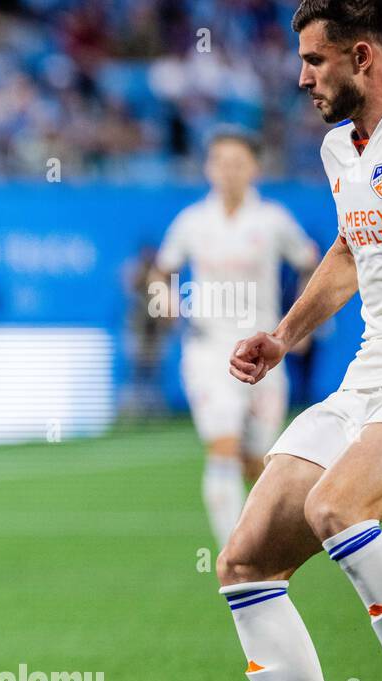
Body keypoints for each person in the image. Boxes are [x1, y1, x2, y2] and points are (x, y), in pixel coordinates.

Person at [219, 0, 382, 681]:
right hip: (369, 375)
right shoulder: (342, 149)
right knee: (246, 562)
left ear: (362, 56)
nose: (301, 78)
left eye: (315, 61)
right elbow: (348, 248)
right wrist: (284, 337)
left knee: (337, 506)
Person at [151, 131, 318, 548]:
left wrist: (300, 325)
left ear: (254, 168)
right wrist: (165, 298)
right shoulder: (192, 221)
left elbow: (312, 263)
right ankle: (236, 557)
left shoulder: (272, 220)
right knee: (222, 447)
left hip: (261, 350)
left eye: (238, 162)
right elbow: (161, 270)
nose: (228, 170)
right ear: (209, 168)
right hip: (209, 350)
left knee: (257, 460)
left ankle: (267, 536)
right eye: (220, 162)